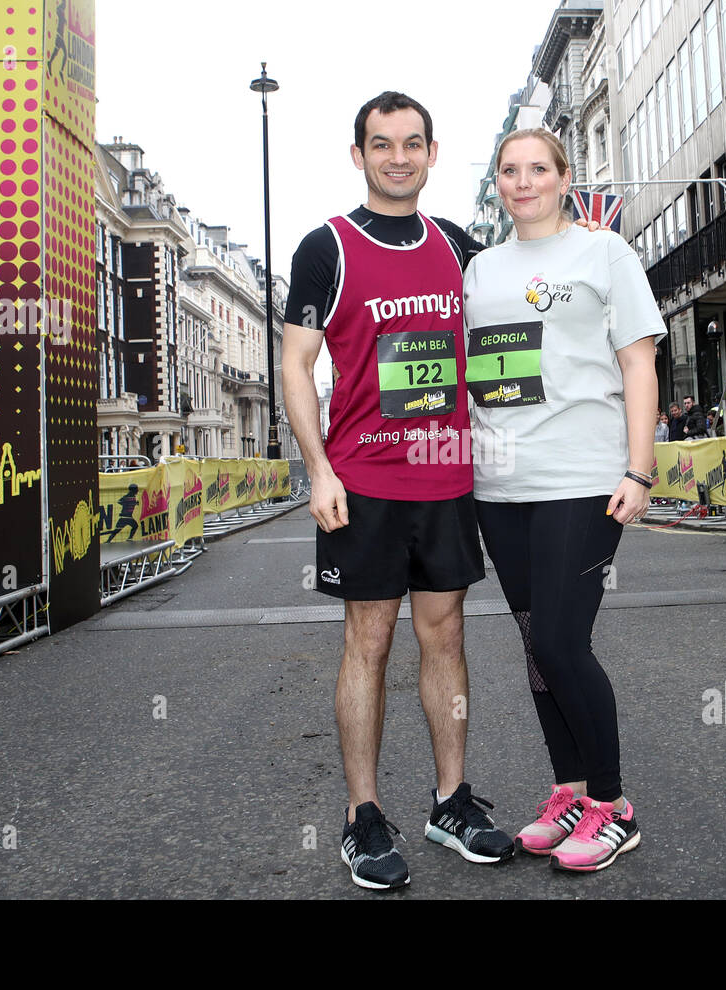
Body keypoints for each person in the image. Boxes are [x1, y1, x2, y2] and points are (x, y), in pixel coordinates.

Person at [281, 92, 514, 891]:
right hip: (365, 483)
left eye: (412, 143)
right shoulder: (326, 247)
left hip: (445, 477)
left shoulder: (457, 245)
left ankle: (451, 801)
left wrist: (577, 236)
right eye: (381, 145)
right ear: (359, 155)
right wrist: (318, 467)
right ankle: (362, 815)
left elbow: (522, 281)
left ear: (432, 152)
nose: (398, 157)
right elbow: (295, 367)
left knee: (445, 638)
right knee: (369, 643)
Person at [462, 128, 663, 873]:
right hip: (500, 483)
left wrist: (639, 470)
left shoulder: (605, 252)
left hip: (583, 477)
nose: (523, 182)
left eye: (537, 168)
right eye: (509, 171)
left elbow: (638, 361)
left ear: (565, 176)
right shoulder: (479, 269)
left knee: (560, 642)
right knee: (534, 648)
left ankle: (613, 806)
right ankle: (570, 791)